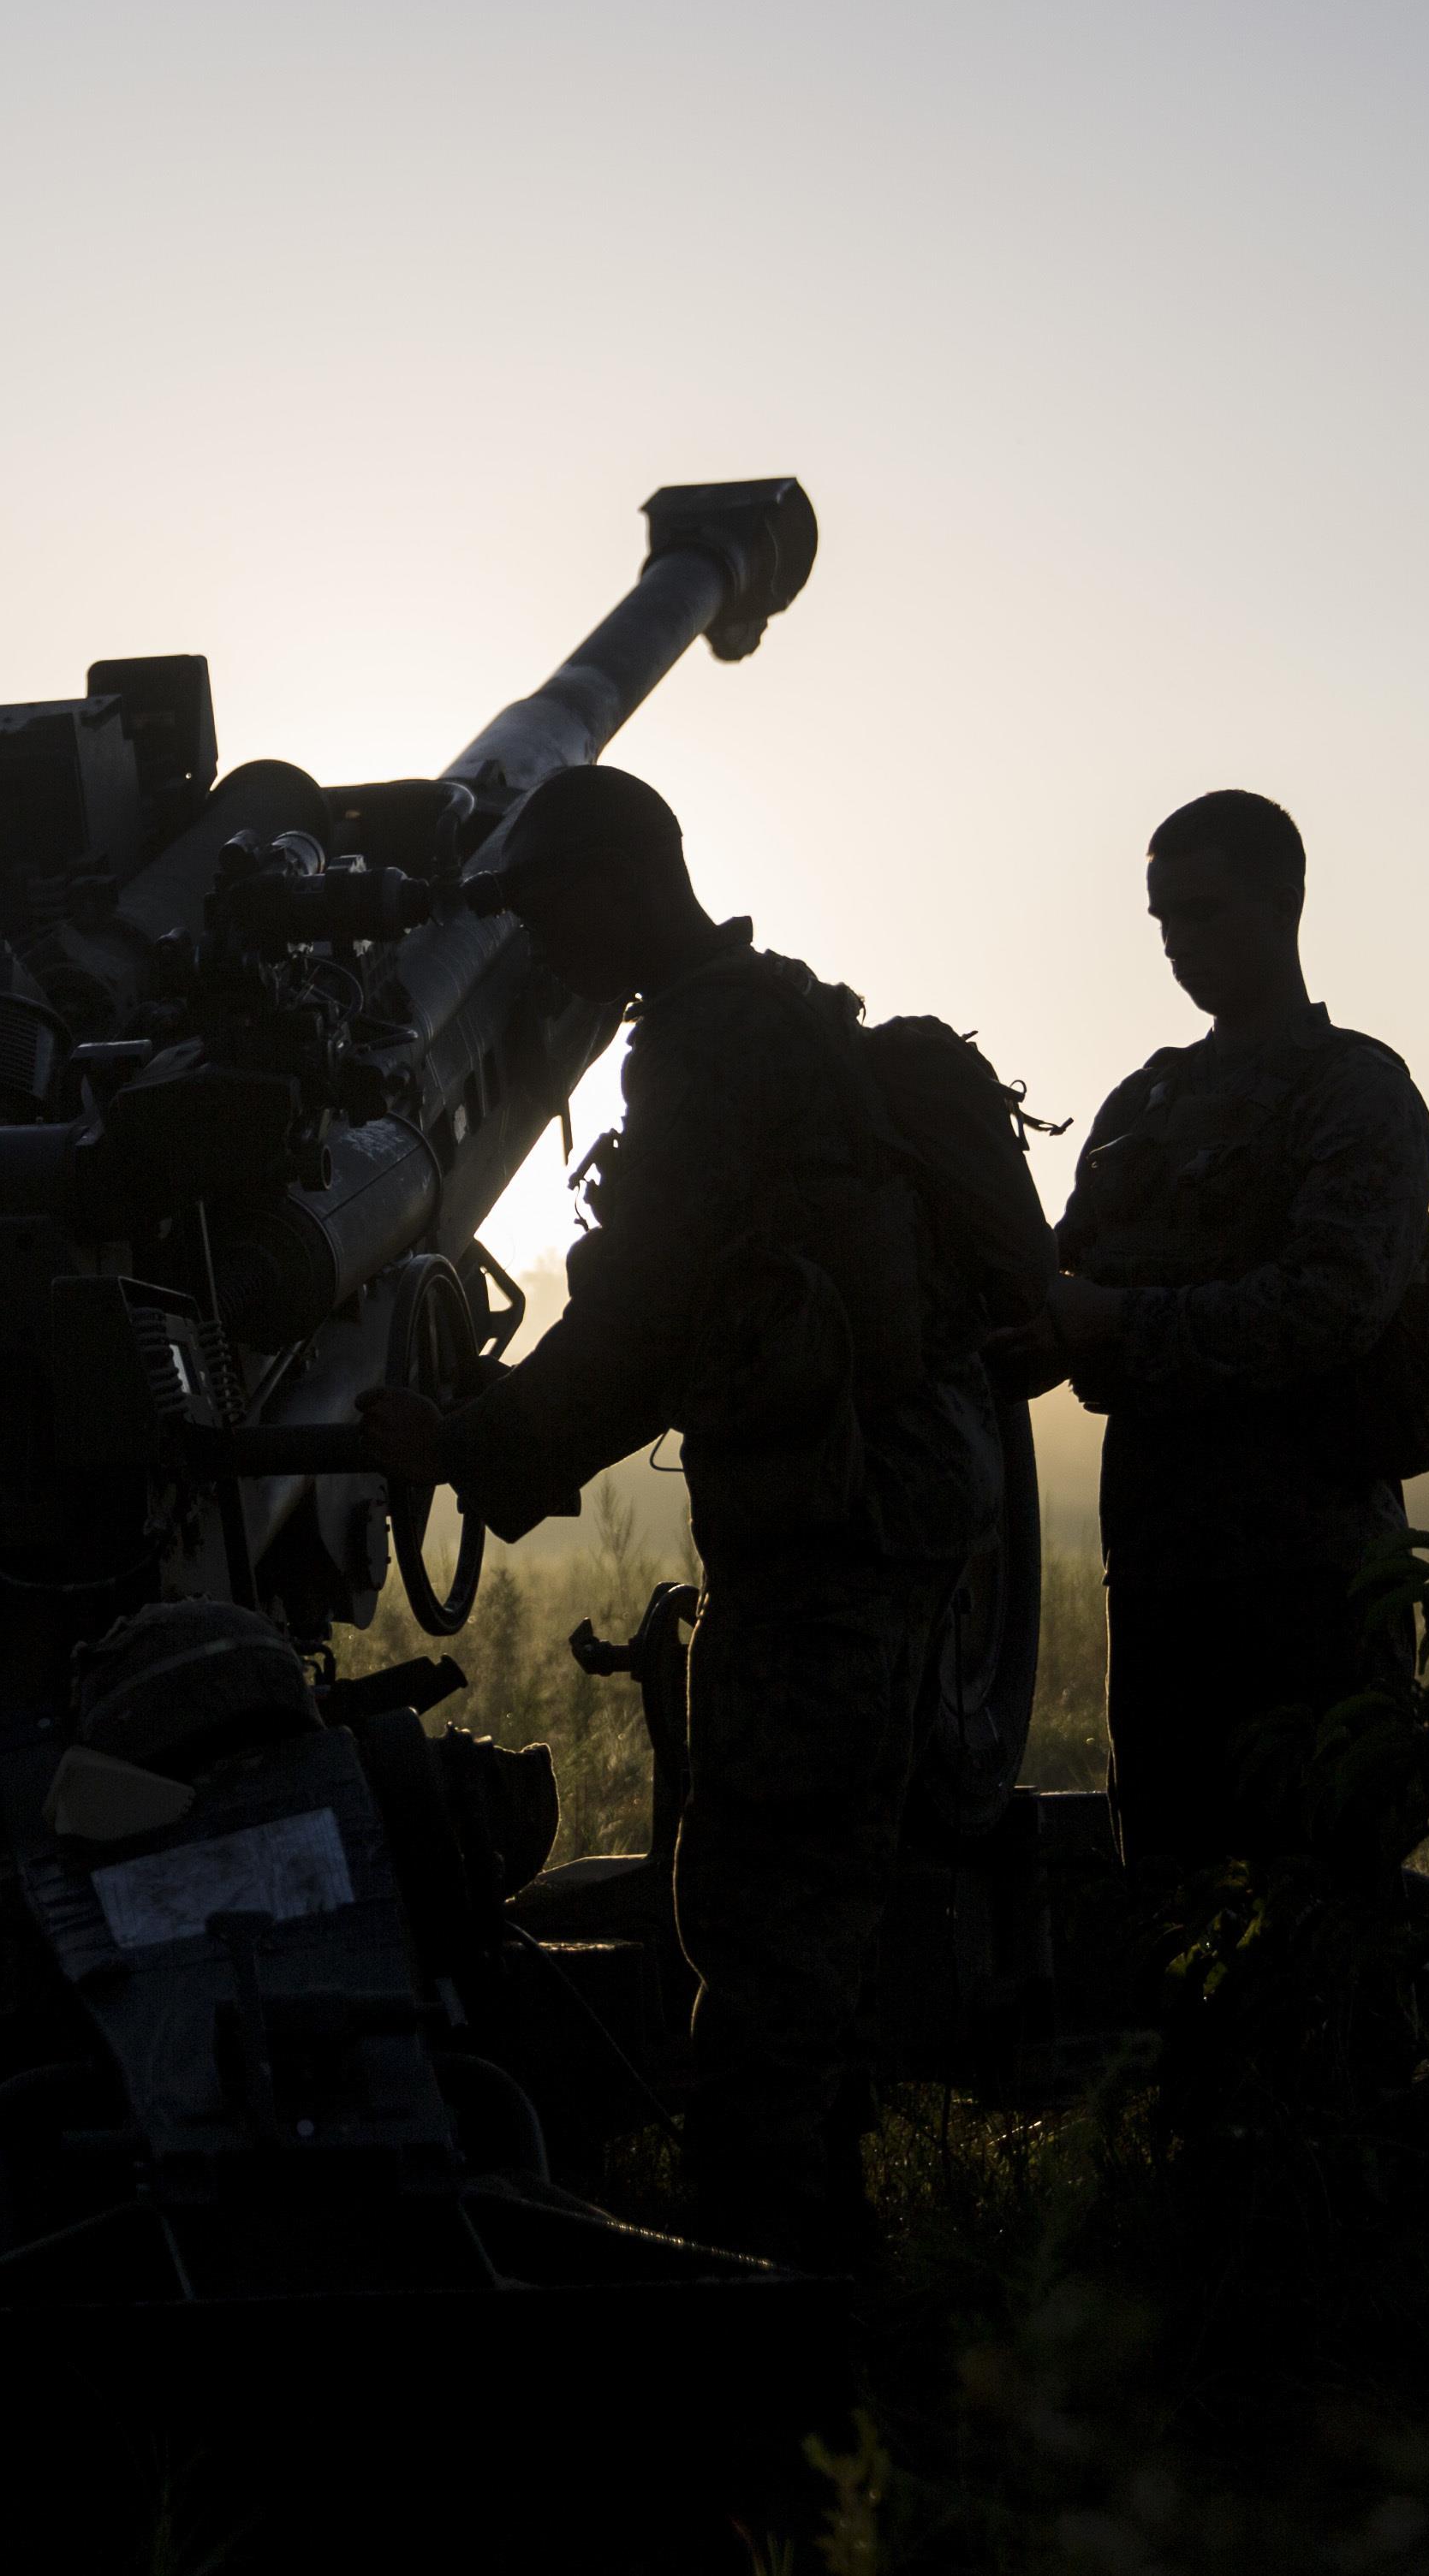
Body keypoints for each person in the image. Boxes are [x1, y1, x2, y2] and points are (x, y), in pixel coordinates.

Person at [363, 764, 1002, 2270]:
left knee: (763, 1924)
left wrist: (465, 1440)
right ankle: (827, 2261)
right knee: (822, 1913)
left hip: (825, 1553)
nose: (541, 951)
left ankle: (770, 2310)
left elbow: (643, 1313)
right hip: (878, 1527)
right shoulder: (777, 1009)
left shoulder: (705, 1046)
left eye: (549, 910)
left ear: (628, 881)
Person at [1035, 788, 1429, 1870]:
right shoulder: (1142, 1108)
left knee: (1330, 1903)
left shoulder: (1354, 1090)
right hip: (1166, 1576)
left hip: (1314, 1579)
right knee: (1175, 1904)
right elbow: (1049, 1292)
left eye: (1207, 913)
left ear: (1284, 904)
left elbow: (1331, 1307)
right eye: (1164, 919)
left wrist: (1120, 1322)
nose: (1180, 944)